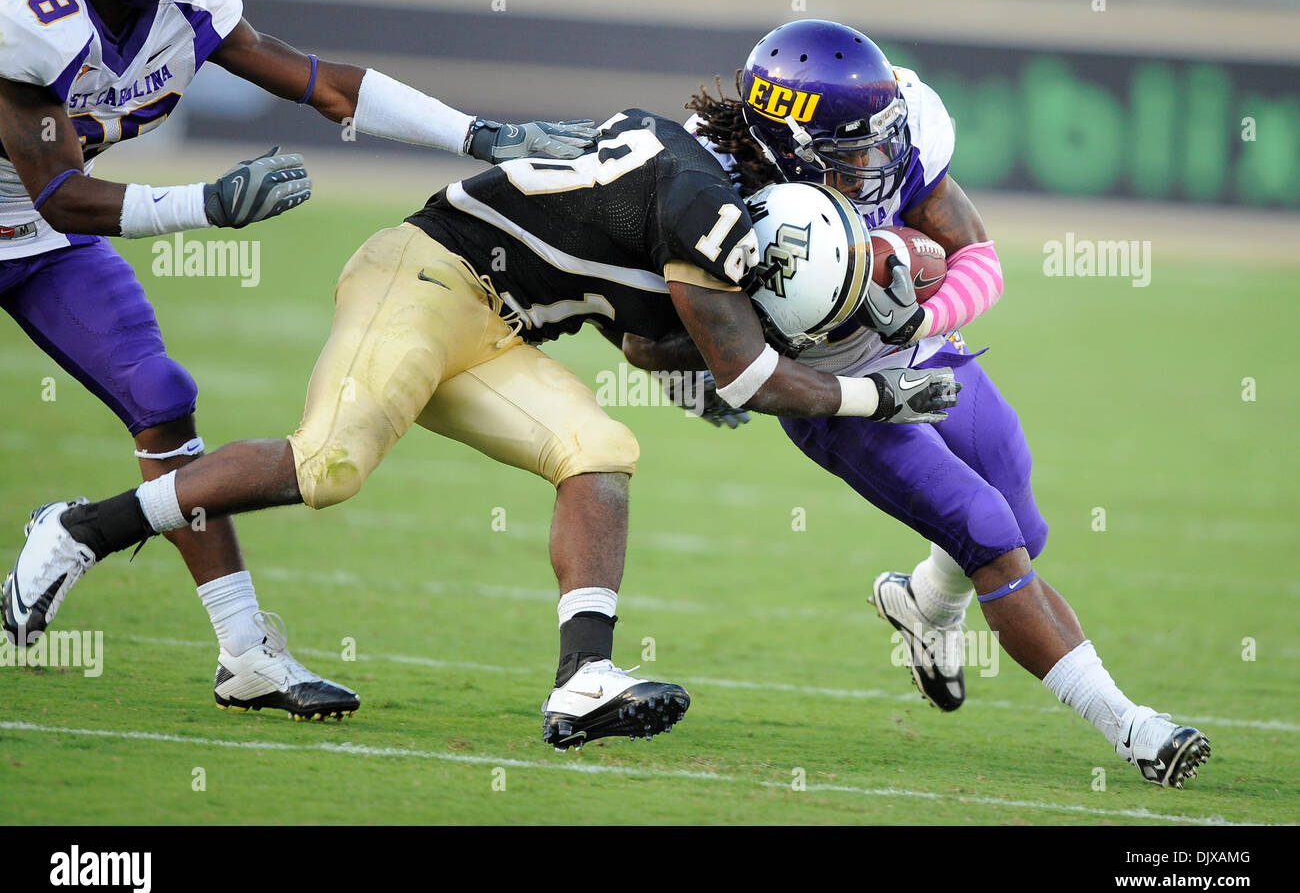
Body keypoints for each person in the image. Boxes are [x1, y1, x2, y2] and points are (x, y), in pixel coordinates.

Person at [3, 107, 960, 747]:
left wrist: (692, 368)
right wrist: (881, 397)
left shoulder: (703, 190)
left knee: (600, 450)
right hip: (421, 276)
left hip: (492, 322)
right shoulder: (711, 215)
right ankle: (79, 529)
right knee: (330, 465)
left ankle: (582, 680)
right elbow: (750, 372)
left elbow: (641, 341)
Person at [0, 0, 599, 720]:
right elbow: (65, 196)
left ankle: (245, 652)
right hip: (54, 219)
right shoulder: (24, 11)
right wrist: (209, 204)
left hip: (43, 244)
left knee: (160, 395)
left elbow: (326, 85)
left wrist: (480, 136)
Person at [628, 19, 1209, 787]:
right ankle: (1135, 728)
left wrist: (917, 318)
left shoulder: (899, 133)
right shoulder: (710, 191)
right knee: (988, 532)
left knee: (1021, 513)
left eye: (881, 138)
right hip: (838, 393)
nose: (878, 160)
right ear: (789, 147)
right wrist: (735, 341)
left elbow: (980, 258)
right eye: (854, 149)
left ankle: (926, 606)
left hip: (921, 351)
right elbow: (645, 340)